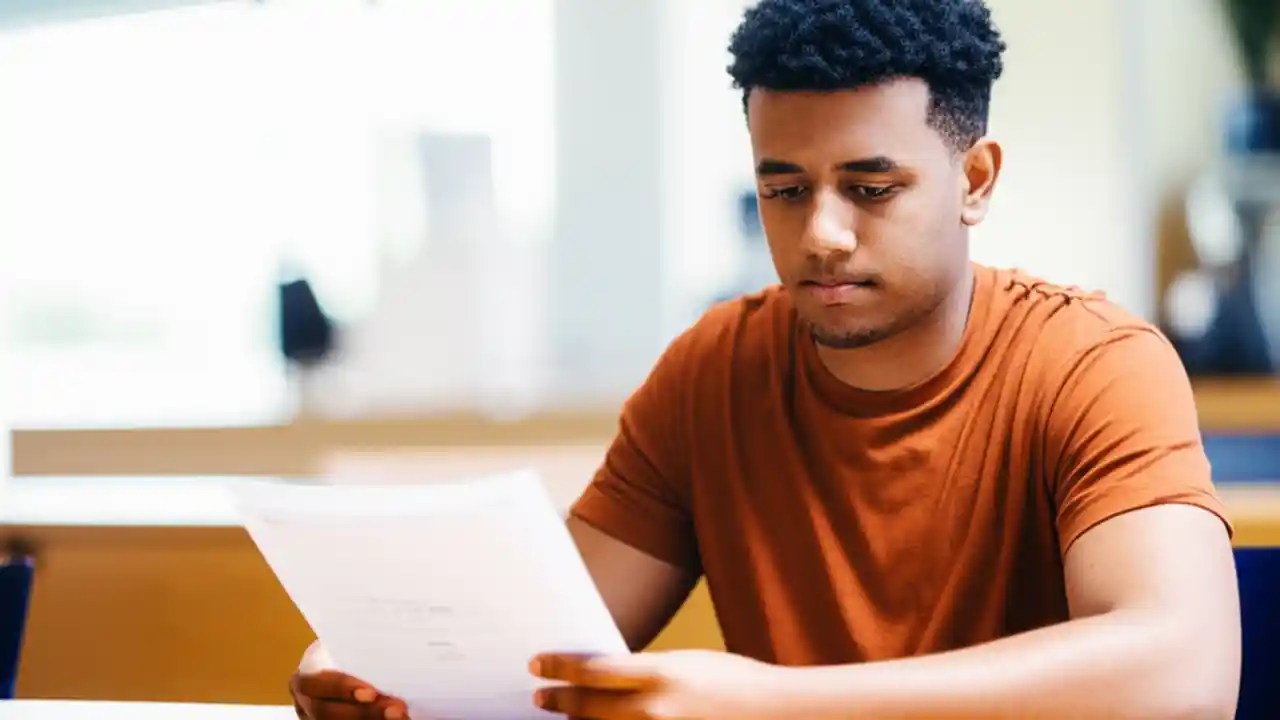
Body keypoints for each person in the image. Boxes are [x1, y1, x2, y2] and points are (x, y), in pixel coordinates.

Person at [290, 0, 1242, 717]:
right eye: (782, 190)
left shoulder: (1095, 363)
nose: (820, 235)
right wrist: (382, 659)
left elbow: (1186, 671)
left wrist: (772, 703)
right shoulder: (713, 372)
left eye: (871, 188)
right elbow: (546, 645)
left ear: (975, 180)